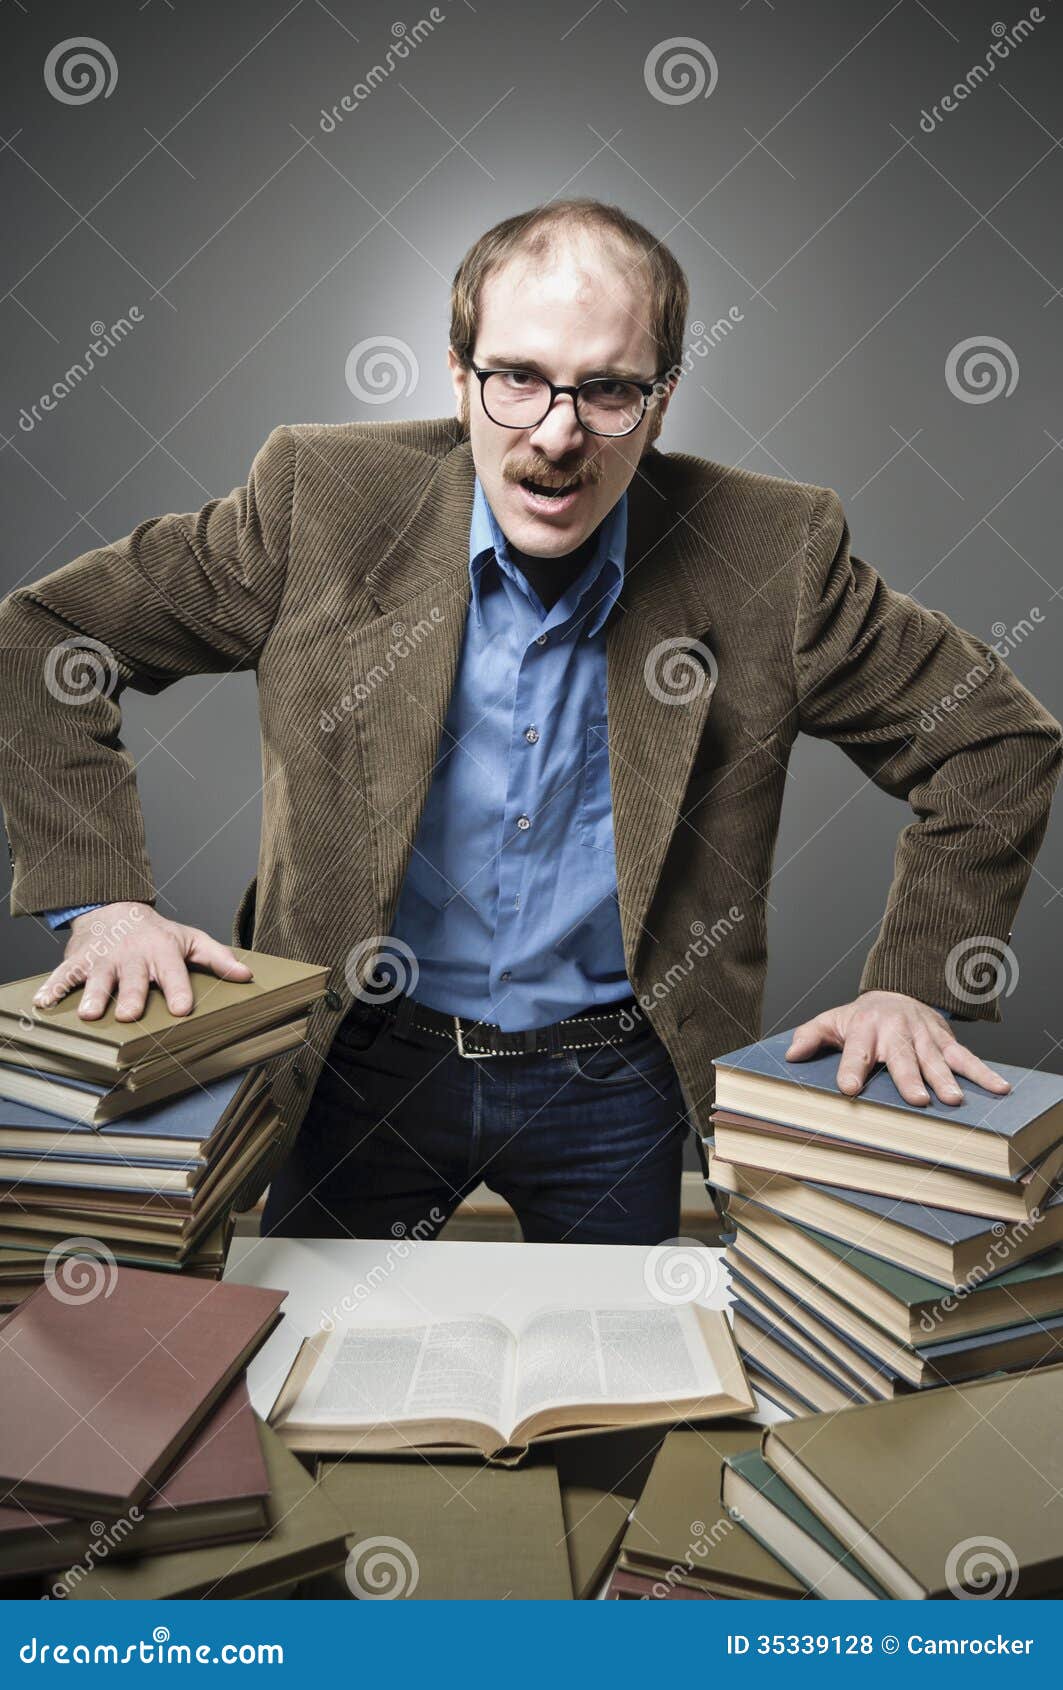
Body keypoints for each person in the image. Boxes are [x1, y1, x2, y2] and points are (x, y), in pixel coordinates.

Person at [1, 199, 1059, 1244]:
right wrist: (101, 902)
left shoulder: (772, 555)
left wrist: (913, 989)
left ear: (661, 399)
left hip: (617, 1078)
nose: (557, 435)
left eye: (606, 390)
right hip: (356, 1055)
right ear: (459, 378)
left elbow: (993, 742)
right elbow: (42, 639)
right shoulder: (318, 502)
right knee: (324, 1388)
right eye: (517, 379)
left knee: (616, 1406)